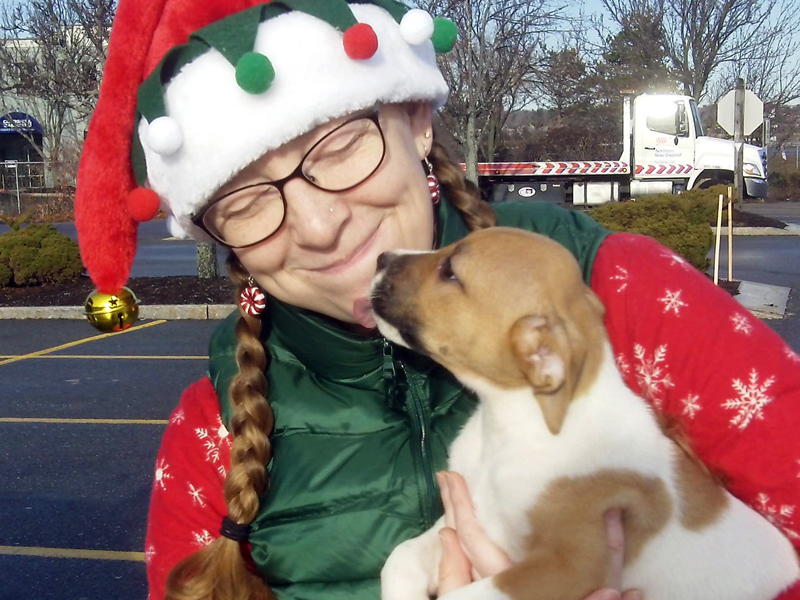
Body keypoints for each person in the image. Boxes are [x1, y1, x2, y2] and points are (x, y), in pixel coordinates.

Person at [73, 1, 800, 599]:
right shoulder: (215, 428)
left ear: (417, 120)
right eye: (245, 201)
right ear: (221, 240)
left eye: (339, 146)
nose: (320, 227)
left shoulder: (613, 293)